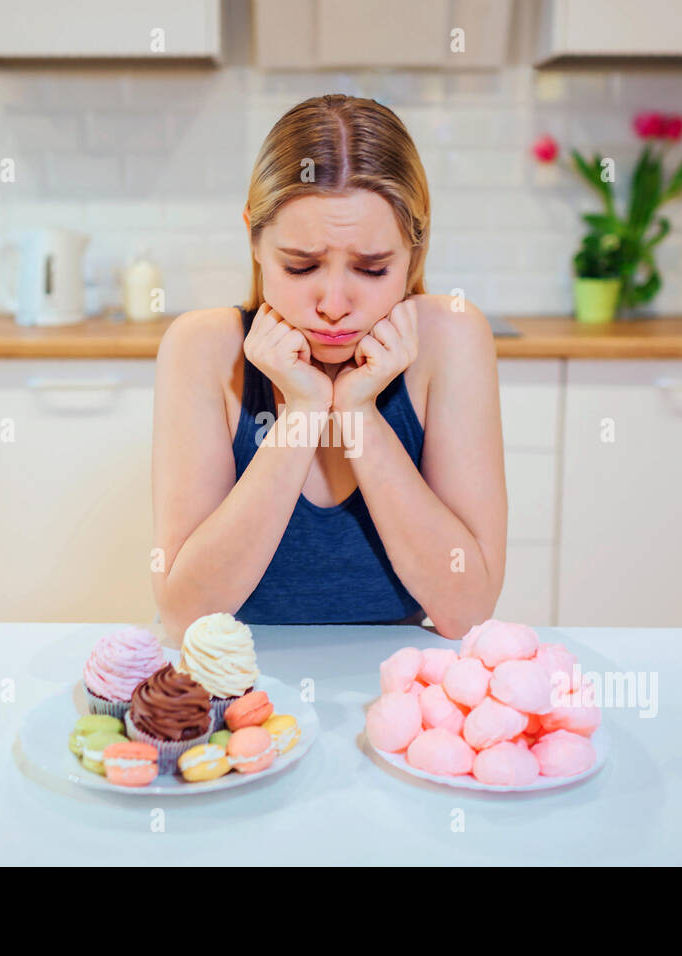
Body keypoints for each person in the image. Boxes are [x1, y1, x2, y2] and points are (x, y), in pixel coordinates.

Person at [151, 93, 506, 641]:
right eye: (301, 266)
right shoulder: (202, 348)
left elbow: (467, 611)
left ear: (414, 250)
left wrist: (359, 412)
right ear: (254, 239)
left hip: (395, 691)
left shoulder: (451, 336)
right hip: (243, 695)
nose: (334, 303)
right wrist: (303, 412)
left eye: (371, 269)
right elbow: (185, 617)